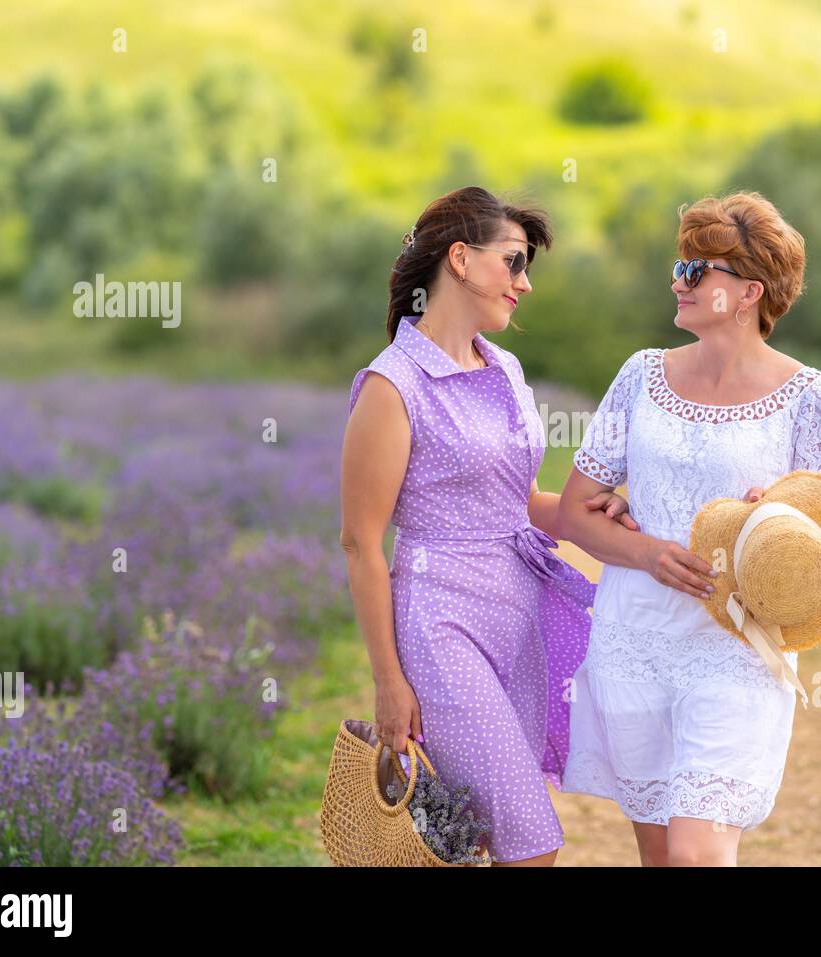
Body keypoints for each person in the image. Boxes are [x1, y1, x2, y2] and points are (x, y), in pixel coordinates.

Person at [557, 190, 821, 866]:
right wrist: (644, 549)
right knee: (661, 856)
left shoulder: (807, 394)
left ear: (751, 290)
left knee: (698, 850)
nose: (679, 281)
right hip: (633, 638)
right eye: (680, 265)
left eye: (699, 271)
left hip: (735, 646)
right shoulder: (641, 376)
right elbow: (575, 510)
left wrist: (785, 505)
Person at [339, 186, 637, 866]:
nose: (524, 284)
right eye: (514, 263)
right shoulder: (393, 386)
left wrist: (599, 509)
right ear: (462, 260)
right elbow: (361, 541)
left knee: (480, 841)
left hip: (519, 615)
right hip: (441, 623)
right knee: (531, 842)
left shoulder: (505, 368)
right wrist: (388, 680)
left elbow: (522, 497)